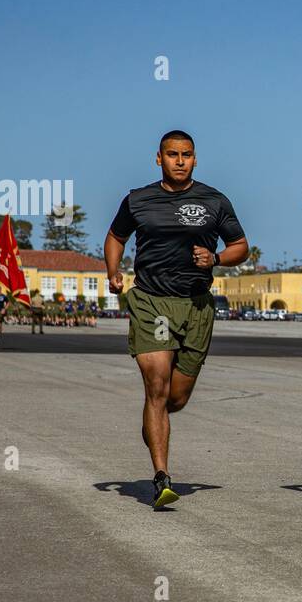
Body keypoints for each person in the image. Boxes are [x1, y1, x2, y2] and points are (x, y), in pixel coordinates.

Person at [104, 129, 249, 509]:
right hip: (151, 301)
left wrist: (216, 259)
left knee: (176, 398)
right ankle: (161, 477)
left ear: (195, 159)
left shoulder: (214, 201)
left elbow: (240, 247)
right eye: (172, 154)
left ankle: (155, 425)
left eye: (186, 155)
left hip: (197, 307)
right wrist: (113, 271)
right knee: (157, 386)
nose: (180, 161)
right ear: (159, 158)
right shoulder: (138, 200)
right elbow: (116, 237)